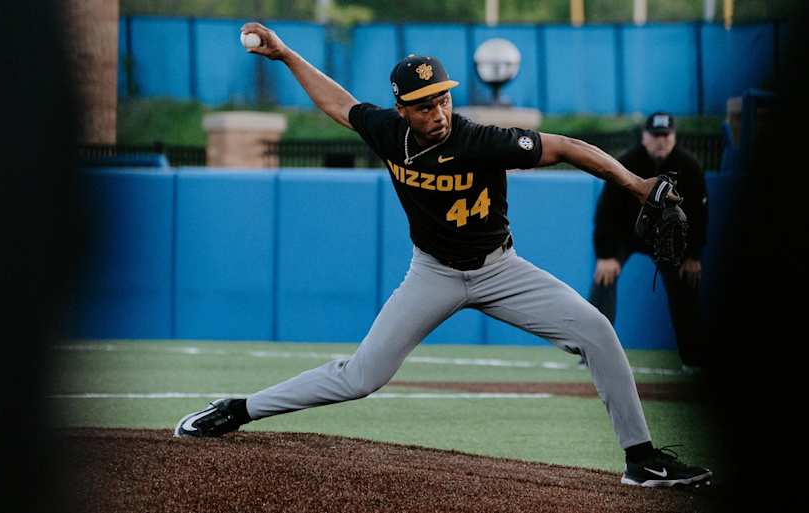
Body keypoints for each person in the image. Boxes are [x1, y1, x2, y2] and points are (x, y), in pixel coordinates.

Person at [174, 21, 712, 488]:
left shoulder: (480, 140)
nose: (439, 109)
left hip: (501, 270)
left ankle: (641, 461)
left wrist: (638, 184)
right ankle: (237, 409)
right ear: (402, 109)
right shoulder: (389, 132)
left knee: (597, 330)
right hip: (431, 273)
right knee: (362, 376)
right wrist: (288, 54)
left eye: (444, 96)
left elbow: (569, 147)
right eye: (426, 103)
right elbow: (337, 103)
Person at [582, 113, 709, 373]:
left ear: (674, 137)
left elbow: (699, 214)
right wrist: (606, 255)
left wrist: (694, 254)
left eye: (666, 135)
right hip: (626, 234)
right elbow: (606, 211)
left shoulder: (689, 167)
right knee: (604, 277)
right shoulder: (627, 162)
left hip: (668, 239)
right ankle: (592, 353)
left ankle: (693, 357)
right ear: (644, 137)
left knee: (685, 282)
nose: (661, 141)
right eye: (655, 135)